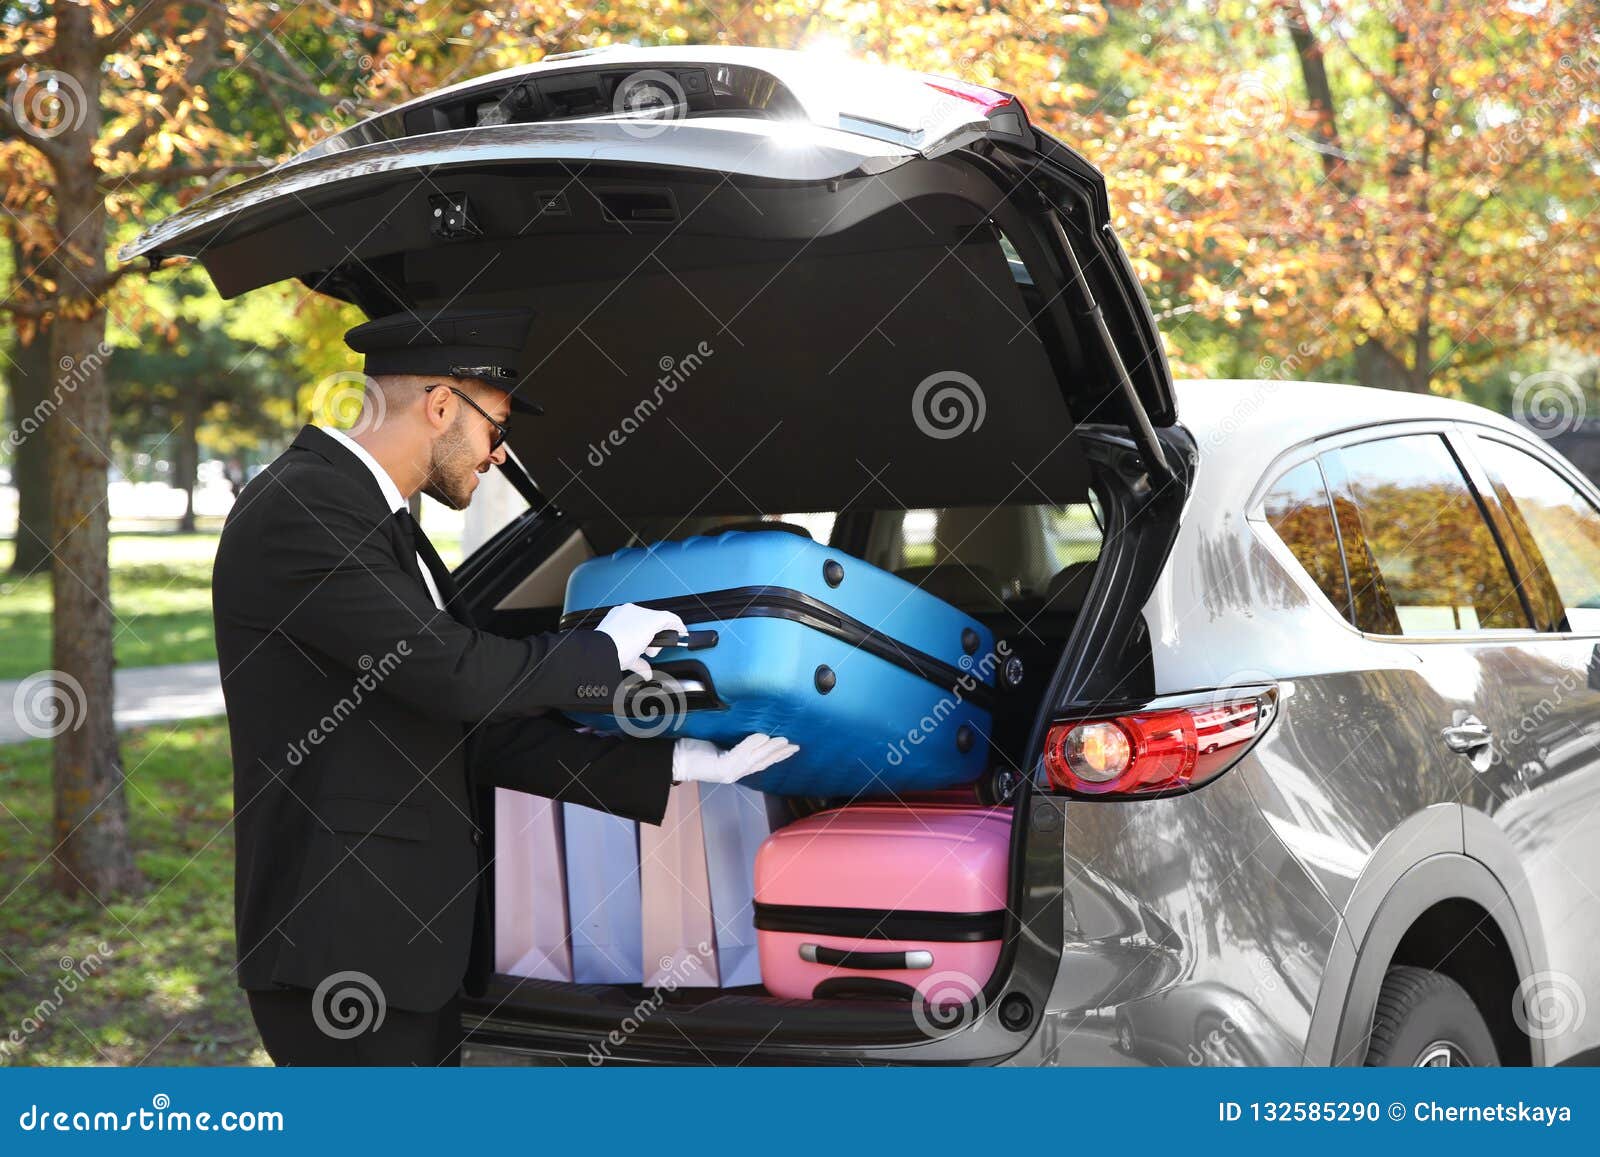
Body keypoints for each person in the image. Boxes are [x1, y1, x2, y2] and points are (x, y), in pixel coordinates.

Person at [212, 306, 796, 1065]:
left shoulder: (380, 523)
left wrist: (681, 763)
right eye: (498, 427)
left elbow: (477, 731)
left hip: (405, 952)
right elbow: (452, 673)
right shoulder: (302, 507)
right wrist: (596, 649)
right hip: (337, 949)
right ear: (442, 404)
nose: (499, 453)